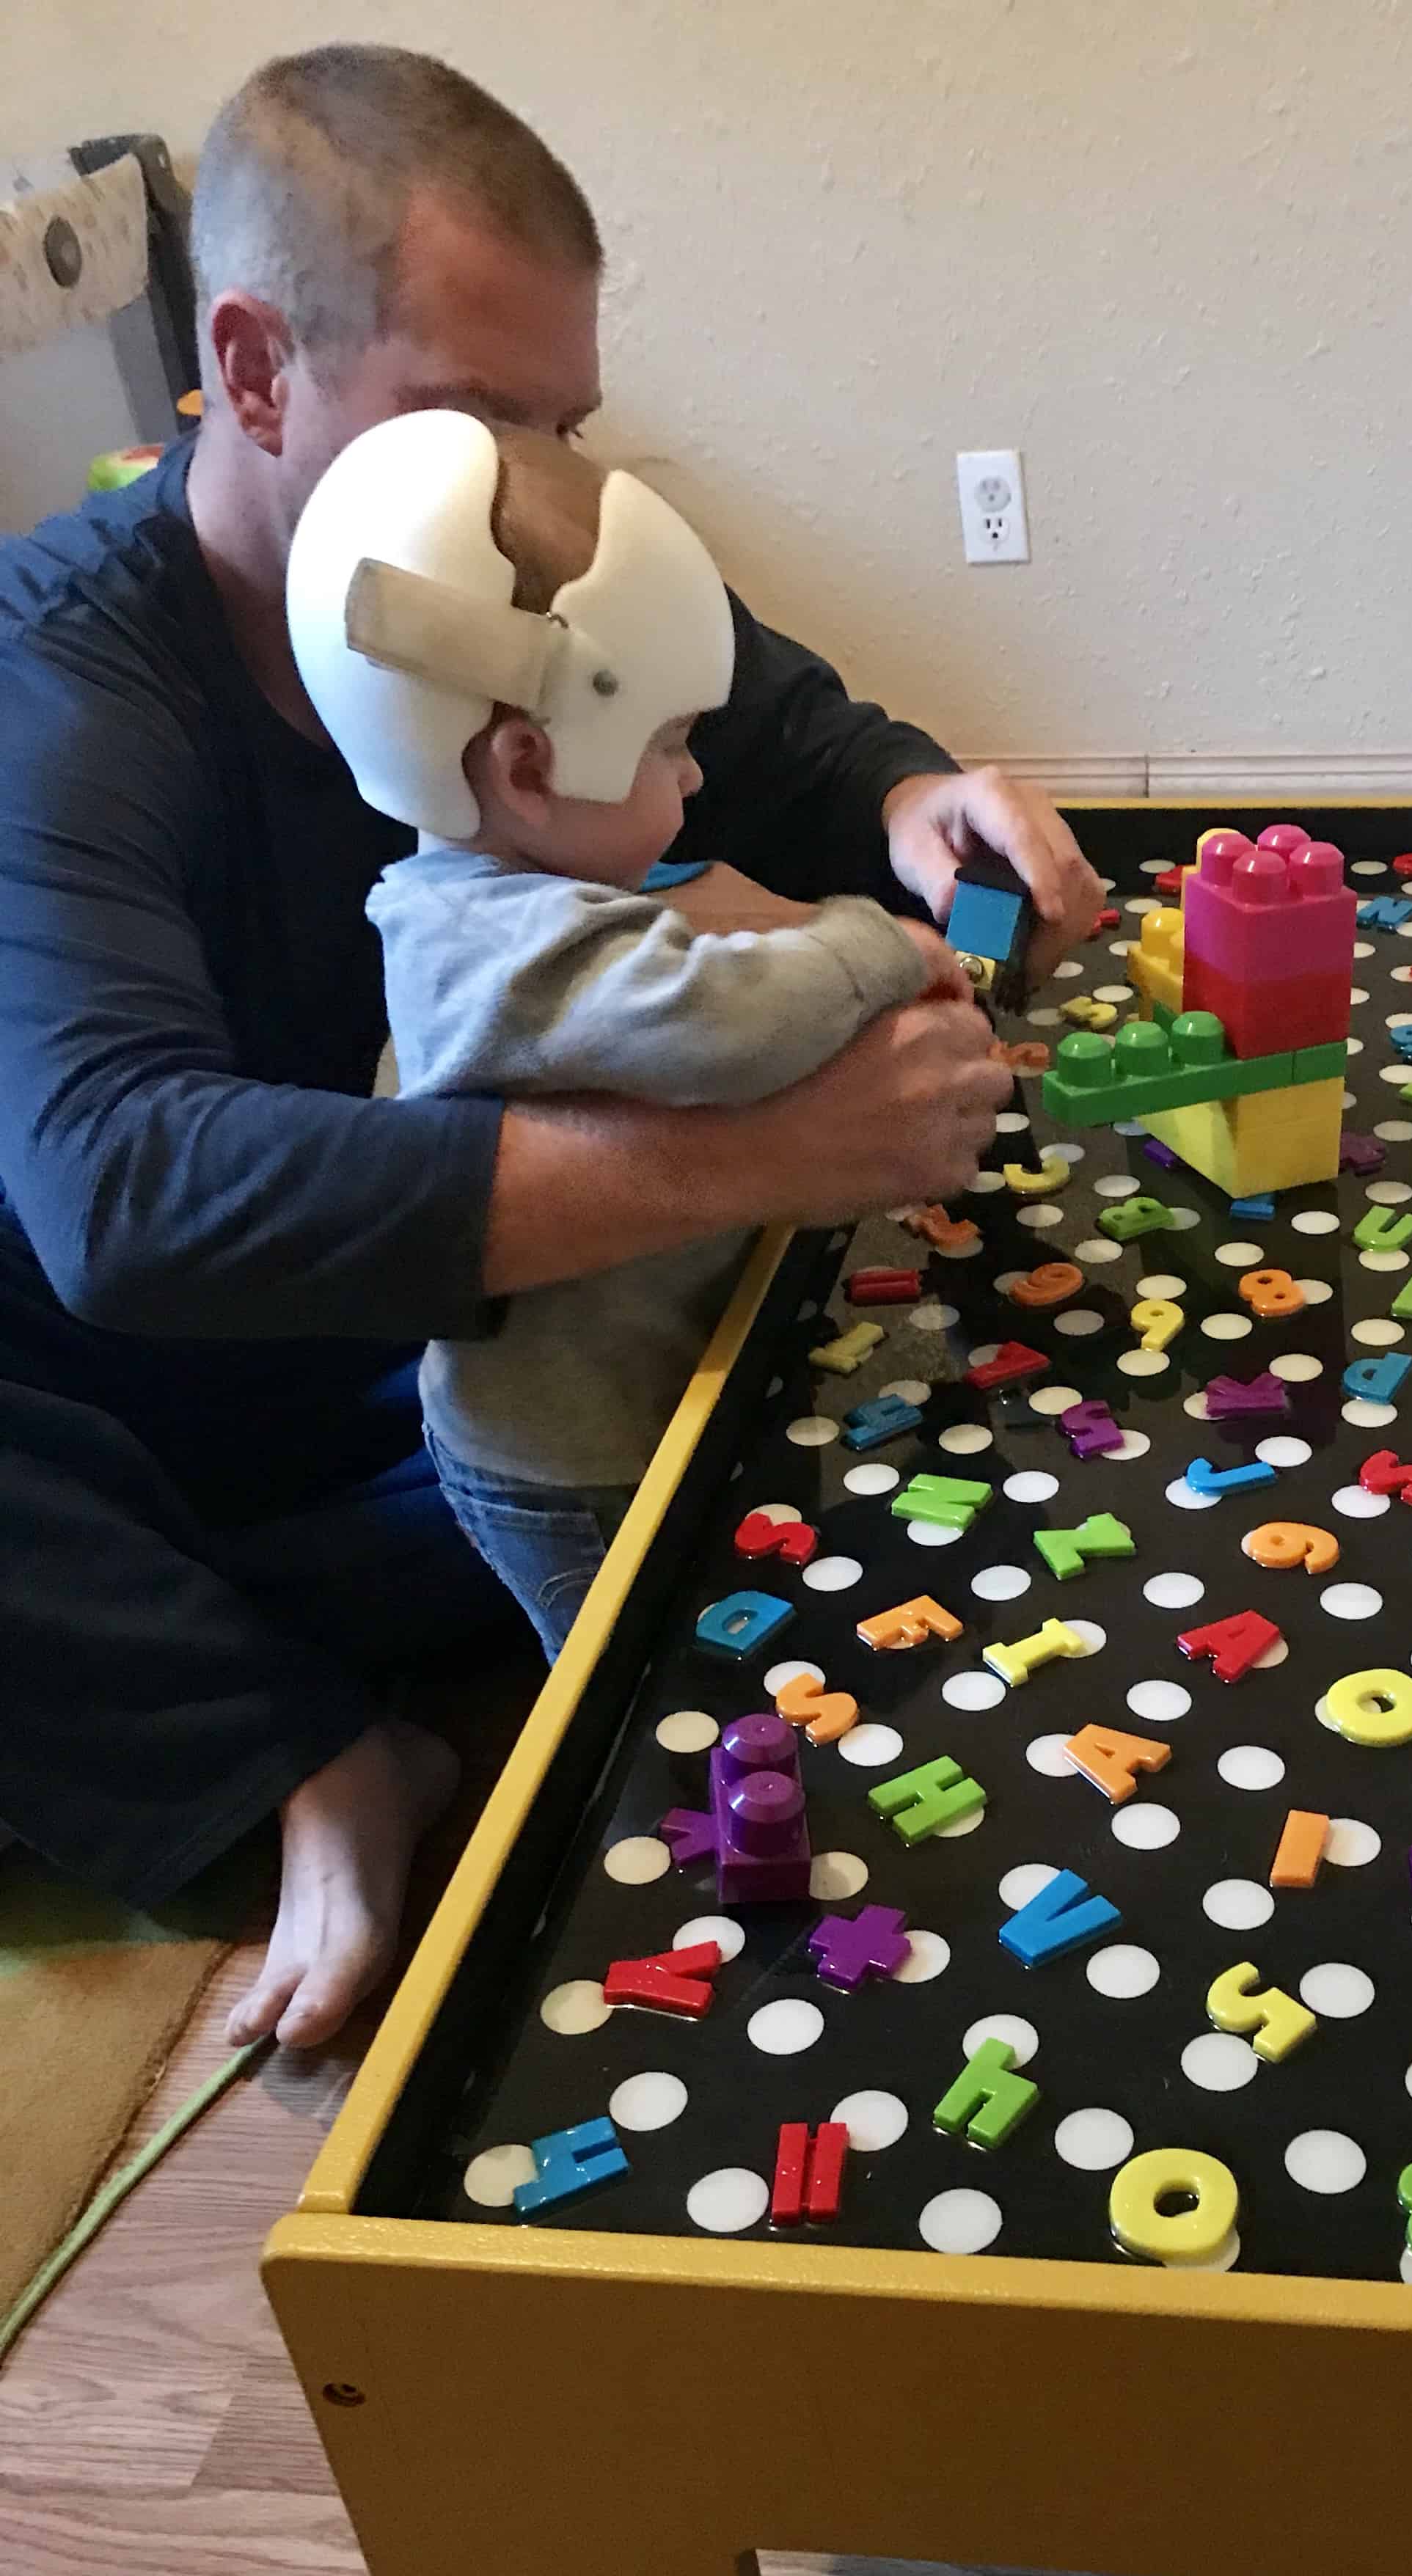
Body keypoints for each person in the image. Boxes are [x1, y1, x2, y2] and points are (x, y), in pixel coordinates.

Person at [0, 45, 1102, 2049]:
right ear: (253, 374)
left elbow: (783, 734)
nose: (540, 480)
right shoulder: (67, 688)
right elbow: (122, 1196)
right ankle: (304, 1763)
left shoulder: (521, 563)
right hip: (147, 1434)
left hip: (461, 1381)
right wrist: (759, 1157)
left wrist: (921, 803)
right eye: (473, 417)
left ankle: (389, 1677)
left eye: (563, 421)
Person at [291, 406, 973, 1653]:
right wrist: (873, 941)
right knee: (654, 1669)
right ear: (533, 766)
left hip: (639, 1401)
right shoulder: (507, 946)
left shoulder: (501, 895)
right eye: (669, 744)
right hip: (578, 1465)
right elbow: (714, 1022)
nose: (696, 778)